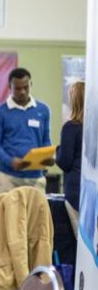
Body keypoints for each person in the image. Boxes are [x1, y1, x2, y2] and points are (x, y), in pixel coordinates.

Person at [0, 68, 53, 192]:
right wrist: (10, 161)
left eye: (26, 87)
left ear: (31, 84)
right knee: (9, 211)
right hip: (8, 177)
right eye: (18, 88)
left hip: (36, 177)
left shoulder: (43, 110)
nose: (22, 92)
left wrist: (49, 156)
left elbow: (45, 140)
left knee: (35, 212)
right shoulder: (0, 113)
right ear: (9, 87)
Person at [57, 81, 84, 237]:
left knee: (82, 241)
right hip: (93, 191)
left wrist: (58, 151)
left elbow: (65, 161)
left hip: (76, 192)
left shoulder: (71, 128)